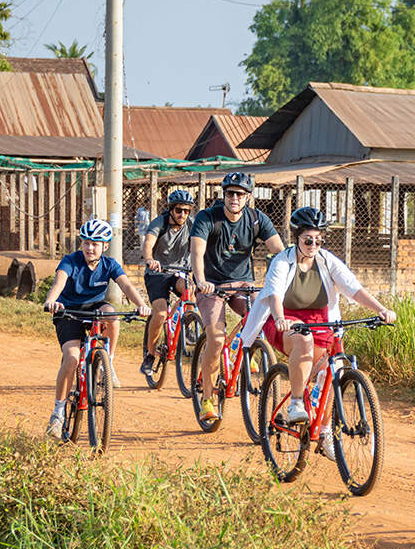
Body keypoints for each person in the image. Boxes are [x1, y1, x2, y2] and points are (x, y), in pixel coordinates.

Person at [240, 207, 396, 456]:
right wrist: (280, 318)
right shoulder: (282, 261)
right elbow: (275, 294)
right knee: (303, 340)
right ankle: (295, 403)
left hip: (320, 321)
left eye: (318, 240)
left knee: (333, 370)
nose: (313, 245)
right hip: (285, 320)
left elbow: (353, 288)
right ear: (297, 238)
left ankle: (325, 433)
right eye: (307, 240)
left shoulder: (326, 260)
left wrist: (381, 309)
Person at [189, 172, 285, 422]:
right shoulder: (207, 217)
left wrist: (284, 278)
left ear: (248, 197)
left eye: (240, 194)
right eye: (230, 193)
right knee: (216, 339)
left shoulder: (256, 219)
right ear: (224, 195)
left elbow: (280, 251)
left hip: (243, 283)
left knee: (263, 314)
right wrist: (201, 281)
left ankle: (245, 349)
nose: (234, 198)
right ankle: (208, 399)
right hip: (212, 285)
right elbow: (197, 252)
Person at [42, 219, 150, 438]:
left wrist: (142, 305)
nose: (90, 248)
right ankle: (58, 412)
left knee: (112, 315)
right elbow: (58, 284)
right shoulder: (70, 261)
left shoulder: (109, 264)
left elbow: (126, 286)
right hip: (68, 311)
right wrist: (51, 301)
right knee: (72, 358)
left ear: (105, 246)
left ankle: (108, 362)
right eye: (86, 243)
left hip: (94, 308)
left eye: (95, 244)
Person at [139, 189, 195, 376]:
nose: (183, 215)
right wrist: (149, 259)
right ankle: (150, 354)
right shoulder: (159, 223)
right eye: (179, 210)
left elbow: (201, 244)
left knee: (190, 291)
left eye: (186, 211)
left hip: (179, 272)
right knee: (161, 313)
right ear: (171, 209)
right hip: (157, 273)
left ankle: (188, 327)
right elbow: (148, 243)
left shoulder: (191, 224)